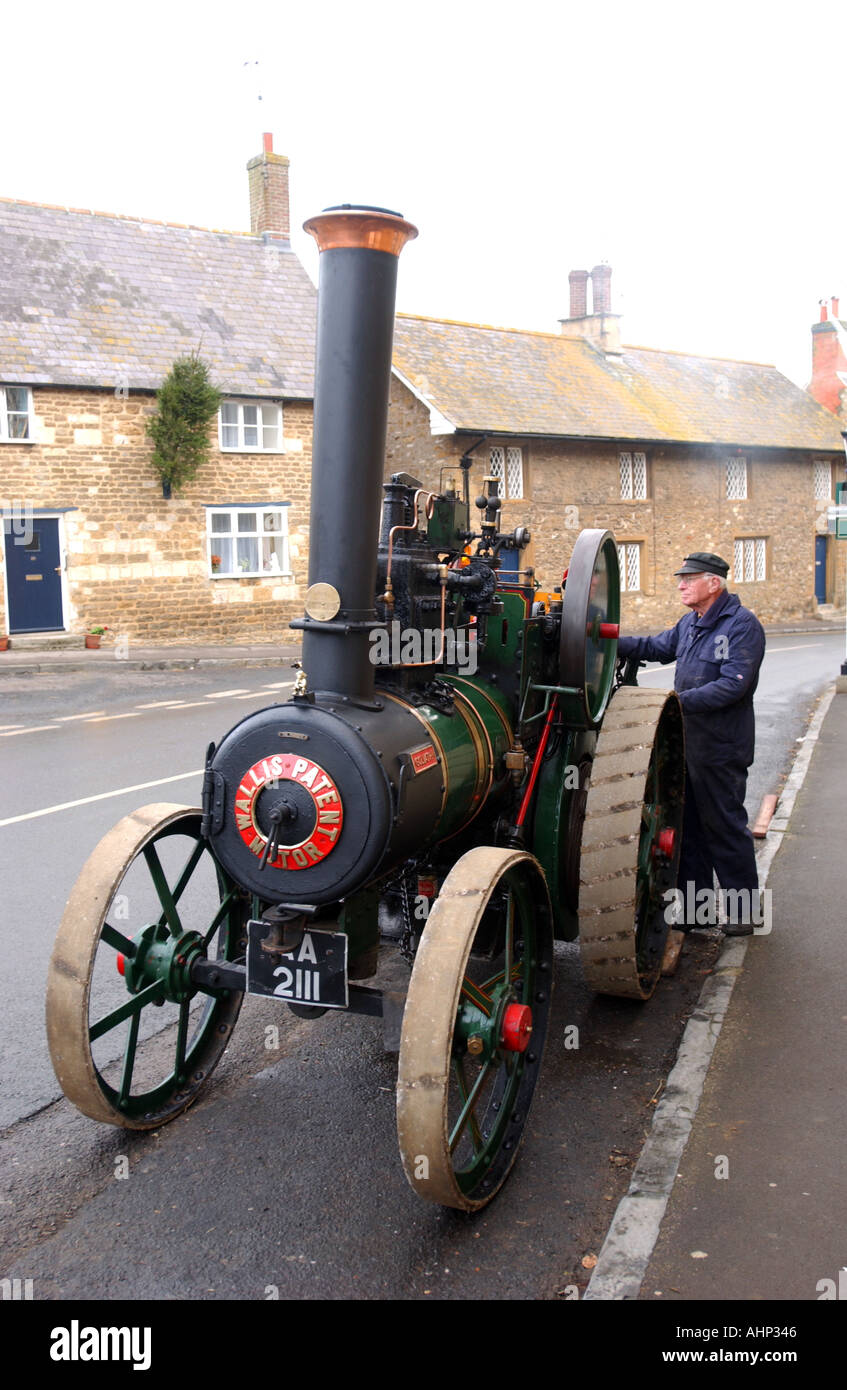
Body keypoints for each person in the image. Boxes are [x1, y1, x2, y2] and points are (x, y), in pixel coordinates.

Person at [617, 552, 766, 935]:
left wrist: (675, 703)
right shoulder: (691, 622)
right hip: (687, 742)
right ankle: (696, 913)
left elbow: (734, 685)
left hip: (720, 746)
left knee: (724, 826)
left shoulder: (741, 625)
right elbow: (655, 647)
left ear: (714, 583)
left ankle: (745, 913)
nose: (681, 584)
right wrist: (610, 640)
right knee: (689, 829)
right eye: (679, 578)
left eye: (689, 578)